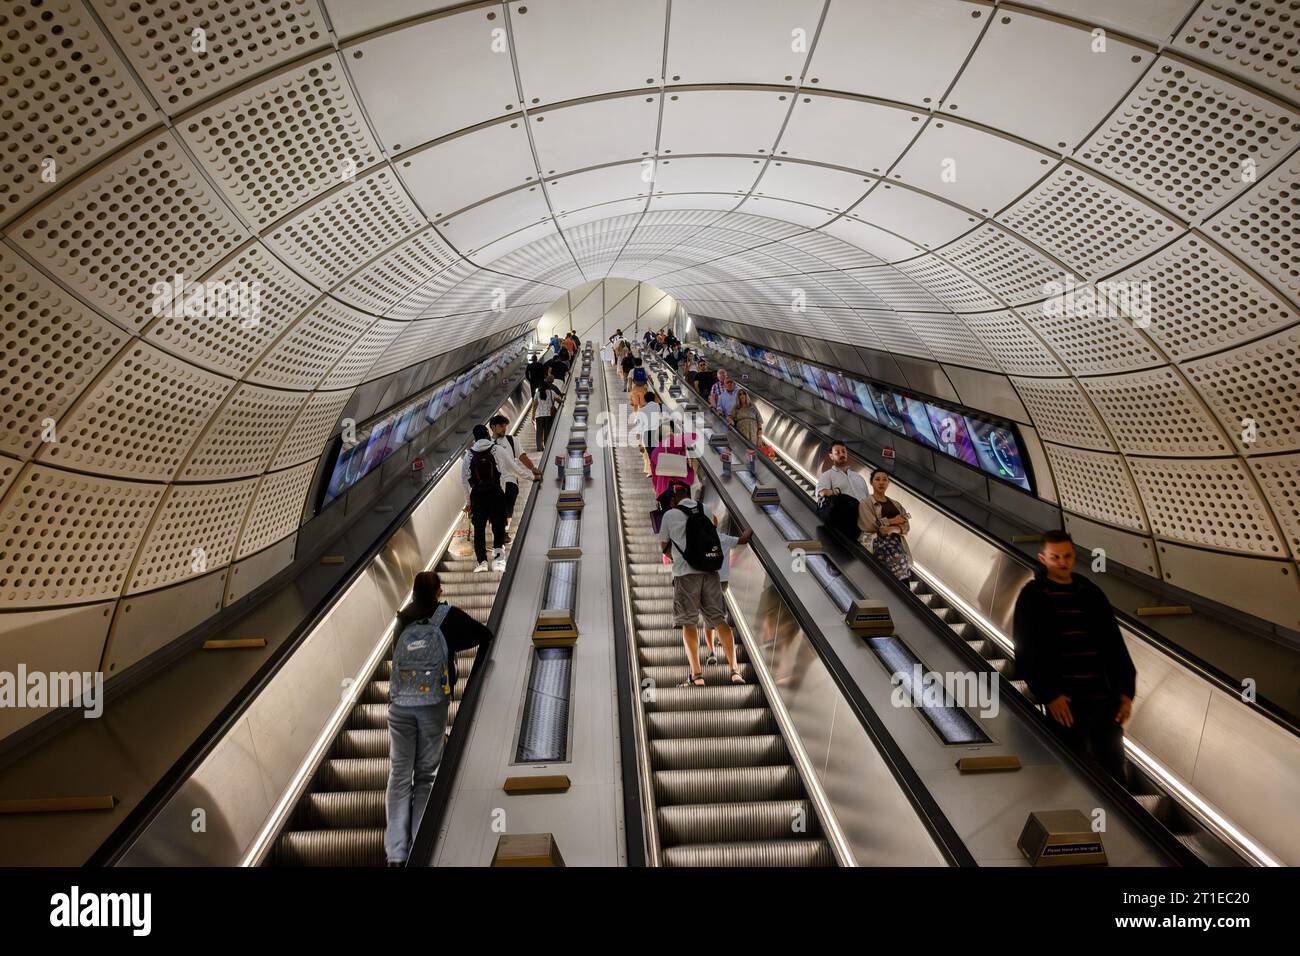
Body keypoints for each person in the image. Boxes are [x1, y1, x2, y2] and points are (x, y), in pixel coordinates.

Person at [385, 570, 491, 866]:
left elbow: (397, 660)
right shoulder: (445, 616)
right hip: (432, 703)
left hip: (400, 705)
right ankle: (420, 845)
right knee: (426, 776)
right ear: (438, 591)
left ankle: (395, 853)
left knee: (399, 775)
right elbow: (485, 635)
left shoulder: (402, 618)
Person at [1013, 531, 1136, 783]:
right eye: (1054, 556)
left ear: (1074, 556)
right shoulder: (1032, 596)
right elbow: (1026, 650)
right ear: (1042, 558)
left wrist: (1126, 692)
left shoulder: (1091, 593)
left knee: (1114, 771)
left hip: (1105, 699)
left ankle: (1116, 820)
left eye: (1067, 556)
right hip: (1066, 704)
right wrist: (1049, 695)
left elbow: (1115, 645)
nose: (1062, 562)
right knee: (1073, 774)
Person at [658, 482, 743, 687]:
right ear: (688, 494)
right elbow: (713, 527)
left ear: (672, 500)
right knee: (719, 620)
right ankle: (735, 671)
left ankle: (697, 675)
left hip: (685, 575)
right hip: (710, 572)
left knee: (689, 623)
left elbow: (663, 547)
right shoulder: (704, 508)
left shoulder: (669, 515)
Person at [462, 424, 530, 572]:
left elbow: (464, 479)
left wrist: (468, 503)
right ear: (487, 434)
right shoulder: (496, 449)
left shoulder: (469, 455)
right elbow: (513, 468)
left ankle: (482, 562)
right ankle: (499, 560)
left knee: (479, 530)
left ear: (475, 437)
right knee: (498, 527)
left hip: (478, 496)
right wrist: (531, 476)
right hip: (495, 493)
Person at [701, 514, 753, 666]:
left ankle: (711, 651)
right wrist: (753, 526)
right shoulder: (722, 538)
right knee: (718, 614)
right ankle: (719, 634)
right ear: (716, 525)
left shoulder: (697, 540)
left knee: (709, 618)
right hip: (722, 582)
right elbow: (743, 539)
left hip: (705, 583)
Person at [488, 413, 543, 528]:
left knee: (509, 507)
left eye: (505, 426)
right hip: (494, 483)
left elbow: (522, 456)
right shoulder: (487, 444)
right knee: (496, 509)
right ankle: (499, 532)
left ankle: (505, 532)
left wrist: (532, 468)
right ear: (493, 427)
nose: (504, 428)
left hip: (511, 480)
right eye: (501, 426)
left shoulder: (511, 440)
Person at [860, 468, 912, 582]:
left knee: (904, 589)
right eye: (877, 479)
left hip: (899, 555)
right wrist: (892, 521)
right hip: (878, 554)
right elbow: (870, 526)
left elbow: (906, 526)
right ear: (871, 482)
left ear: (888, 483)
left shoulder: (896, 504)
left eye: (885, 480)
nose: (881, 482)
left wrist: (893, 529)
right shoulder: (866, 503)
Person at [815, 440, 868, 539]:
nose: (841, 454)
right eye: (837, 452)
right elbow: (822, 492)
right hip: (845, 522)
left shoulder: (858, 477)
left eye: (843, 451)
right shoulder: (828, 475)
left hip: (864, 521)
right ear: (831, 456)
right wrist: (835, 492)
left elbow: (868, 499)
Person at [650, 425, 698, 500]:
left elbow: (654, 477)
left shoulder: (654, 452)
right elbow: (694, 436)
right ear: (669, 433)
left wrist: (657, 491)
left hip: (663, 490)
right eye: (671, 431)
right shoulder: (675, 442)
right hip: (682, 485)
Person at [530, 366, 564, 451]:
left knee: (539, 432)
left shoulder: (538, 393)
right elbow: (559, 400)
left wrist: (533, 415)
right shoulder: (551, 392)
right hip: (548, 414)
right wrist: (561, 402)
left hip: (539, 415)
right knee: (547, 431)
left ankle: (539, 447)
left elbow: (534, 405)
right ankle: (547, 446)